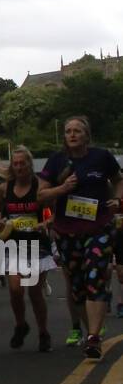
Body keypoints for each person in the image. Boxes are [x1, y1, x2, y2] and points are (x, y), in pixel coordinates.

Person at [37, 117, 122, 360]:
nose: (72, 134)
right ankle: (90, 331)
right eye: (68, 131)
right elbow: (40, 195)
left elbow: (118, 180)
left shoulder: (101, 157)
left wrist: (117, 200)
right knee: (77, 287)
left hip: (99, 227)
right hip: (67, 231)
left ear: (87, 135)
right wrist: (61, 189)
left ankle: (94, 337)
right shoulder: (56, 161)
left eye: (77, 131)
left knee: (95, 275)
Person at [0, 146, 52, 352]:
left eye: (22, 163)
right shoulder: (4, 188)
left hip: (36, 245)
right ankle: (21, 325)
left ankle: (43, 332)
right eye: (15, 164)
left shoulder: (40, 186)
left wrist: (46, 223)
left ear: (30, 164)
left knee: (35, 291)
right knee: (16, 289)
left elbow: (56, 211)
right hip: (14, 245)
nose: (19, 167)